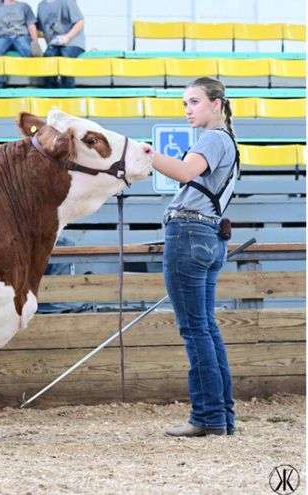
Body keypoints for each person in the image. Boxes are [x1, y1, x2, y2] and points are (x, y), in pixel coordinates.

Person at [147, 77, 239, 438]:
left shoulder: (213, 139)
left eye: (195, 101)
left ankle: (207, 417)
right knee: (206, 328)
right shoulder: (227, 140)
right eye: (185, 103)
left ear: (216, 104)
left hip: (189, 233)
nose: (188, 109)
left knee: (195, 329)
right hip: (208, 236)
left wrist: (148, 156)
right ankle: (221, 416)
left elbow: (185, 172)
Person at [0, 0, 41, 88]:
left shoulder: (24, 6)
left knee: (29, 51)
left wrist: (35, 42)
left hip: (20, 35)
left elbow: (31, 25)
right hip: (3, 37)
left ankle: (36, 83)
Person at [36, 0, 85, 88]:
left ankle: (67, 92)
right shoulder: (41, 6)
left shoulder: (67, 1)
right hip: (54, 45)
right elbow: (39, 30)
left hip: (72, 43)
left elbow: (80, 22)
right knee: (48, 57)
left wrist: (67, 37)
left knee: (65, 55)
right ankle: (51, 93)